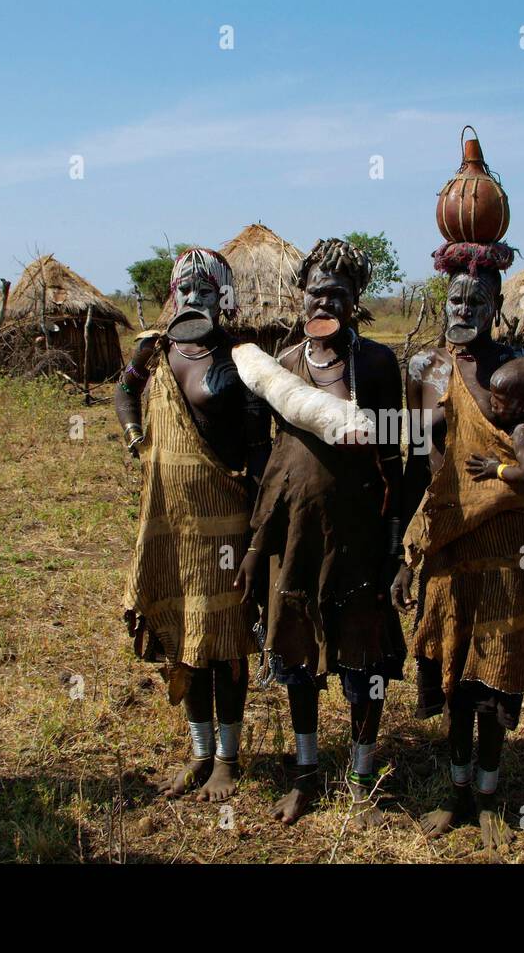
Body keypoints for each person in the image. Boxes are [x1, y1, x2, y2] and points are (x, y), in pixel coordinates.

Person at [392, 241, 524, 851]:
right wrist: (404, 546)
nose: (462, 308)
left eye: (476, 299)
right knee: (454, 674)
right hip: (449, 542)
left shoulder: (517, 374)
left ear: (497, 305)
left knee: (499, 677)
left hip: (509, 542)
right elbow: (418, 464)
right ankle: (457, 791)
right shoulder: (427, 372)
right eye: (454, 298)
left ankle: (490, 796)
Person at [233, 238, 405, 828]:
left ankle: (362, 779)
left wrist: (394, 546)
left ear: (357, 301)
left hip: (360, 537)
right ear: (299, 297)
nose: (324, 300)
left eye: (338, 292)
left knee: (365, 661)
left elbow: (394, 460)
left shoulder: (379, 366)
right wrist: (259, 543)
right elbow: (268, 462)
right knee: (298, 655)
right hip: (297, 536)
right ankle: (306, 774)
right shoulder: (279, 367)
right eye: (315, 291)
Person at [118, 247, 270, 803]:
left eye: (207, 289)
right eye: (186, 287)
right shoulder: (153, 351)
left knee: (225, 639)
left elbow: (259, 449)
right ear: (173, 291)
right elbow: (124, 390)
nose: (194, 297)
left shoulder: (240, 358)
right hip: (169, 521)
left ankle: (228, 760)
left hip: (225, 521)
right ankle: (200, 752)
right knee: (185, 639)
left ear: (224, 297)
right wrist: (136, 438)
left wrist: (260, 531)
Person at [464, 356, 524, 488]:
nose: (492, 402)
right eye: (492, 395)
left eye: (500, 399)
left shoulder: (522, 433)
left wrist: (496, 469)